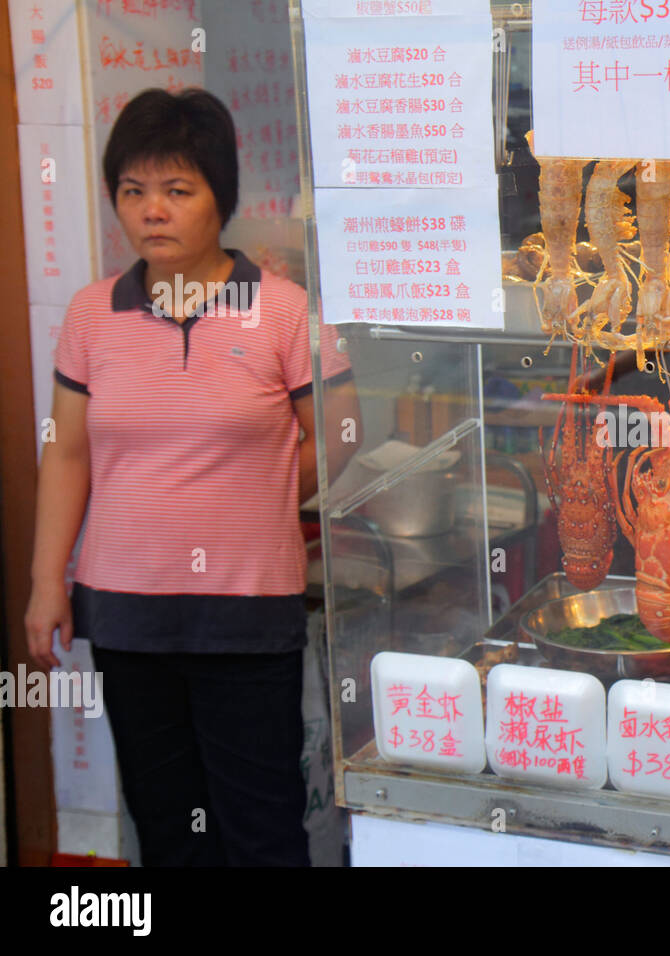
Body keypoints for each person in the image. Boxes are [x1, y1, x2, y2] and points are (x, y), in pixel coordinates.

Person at [24, 89, 361, 866]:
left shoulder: (283, 312)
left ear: (221, 197)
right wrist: (49, 582)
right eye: (134, 192)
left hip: (246, 618)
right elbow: (68, 454)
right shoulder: (89, 316)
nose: (153, 212)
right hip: (126, 618)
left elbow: (341, 432)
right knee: (167, 827)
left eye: (178, 191)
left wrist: (262, 491)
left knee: (262, 828)